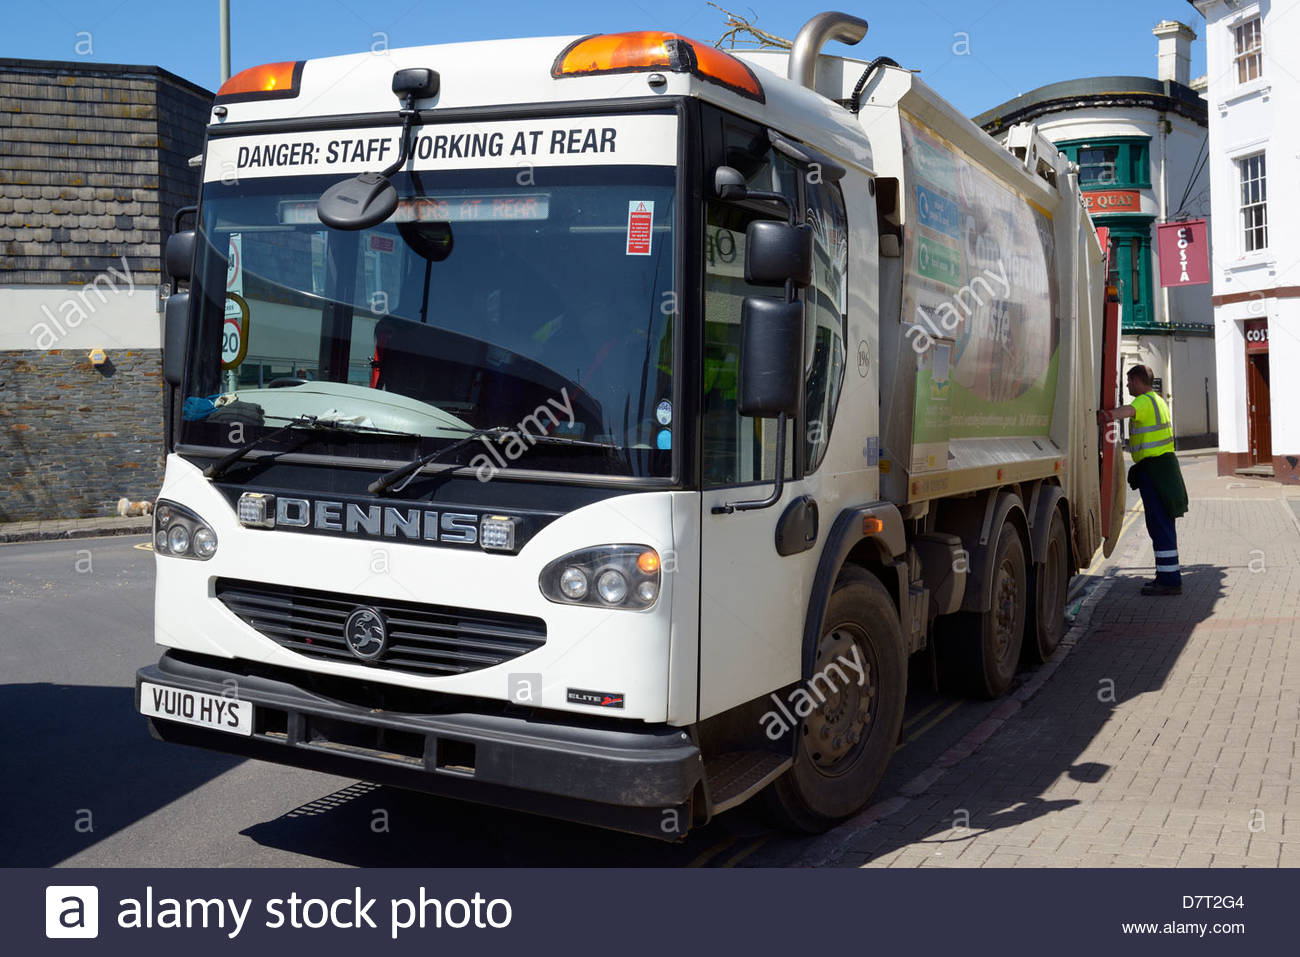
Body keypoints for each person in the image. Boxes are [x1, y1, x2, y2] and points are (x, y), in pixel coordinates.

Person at [1098, 364, 1188, 595]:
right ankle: (1166, 575)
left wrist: (1102, 415)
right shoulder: (1158, 400)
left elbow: (1123, 412)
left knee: (1159, 525)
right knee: (1163, 524)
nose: (1127, 386)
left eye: (1129, 382)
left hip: (1155, 470)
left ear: (1138, 381)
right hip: (1163, 469)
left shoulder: (1144, 401)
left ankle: (1169, 582)